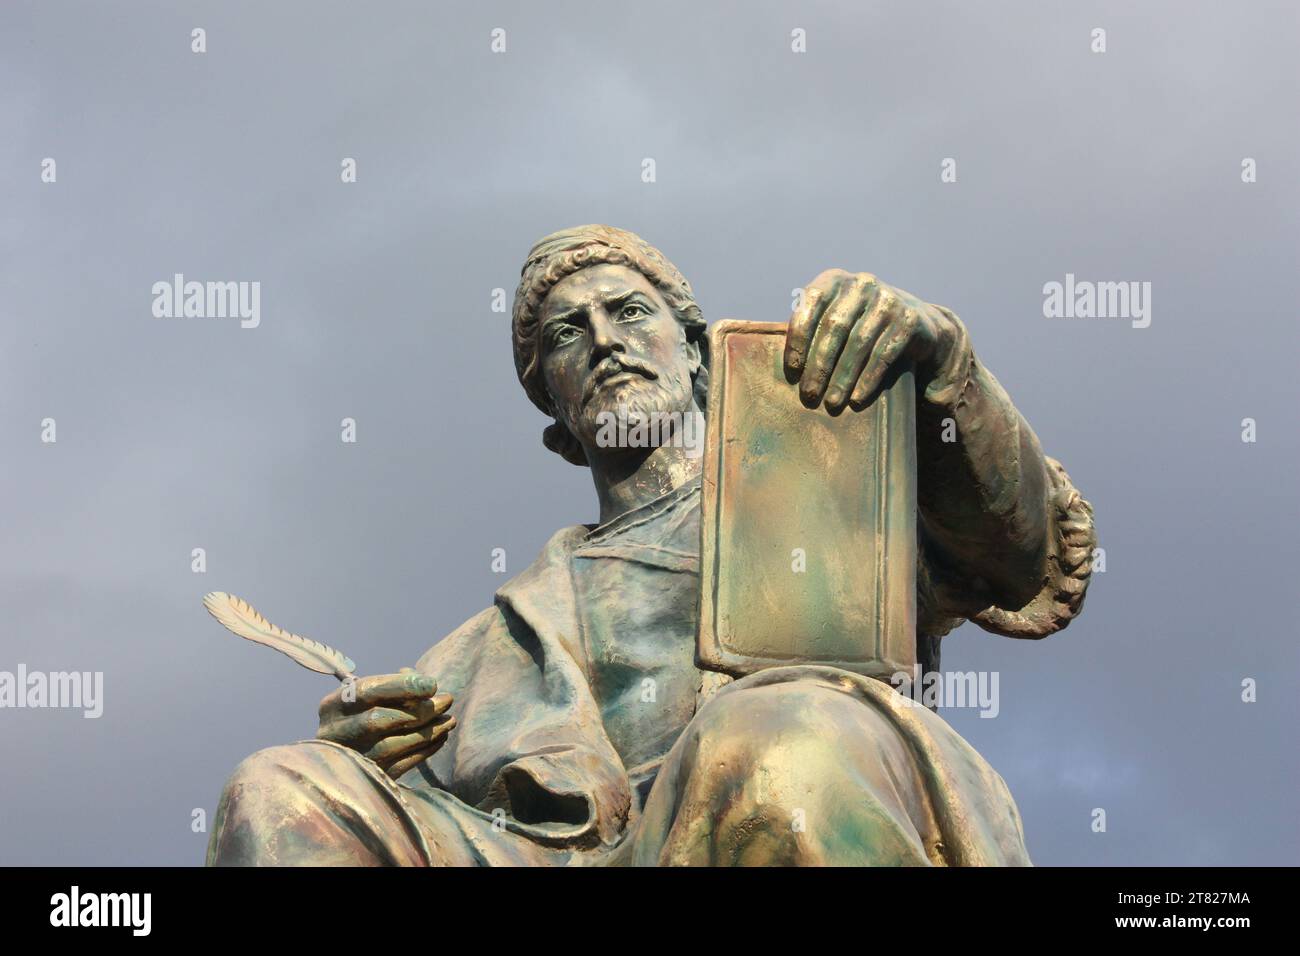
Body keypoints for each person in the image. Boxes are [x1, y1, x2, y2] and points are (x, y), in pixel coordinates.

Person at [207, 225, 1095, 866]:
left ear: (699, 353)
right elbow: (420, 805)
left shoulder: (822, 490)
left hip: (752, 797)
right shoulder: (490, 646)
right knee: (281, 789)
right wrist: (365, 756)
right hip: (563, 857)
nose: (602, 340)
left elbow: (1013, 554)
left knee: (774, 732)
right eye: (566, 333)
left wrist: (943, 363)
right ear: (554, 413)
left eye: (629, 311)